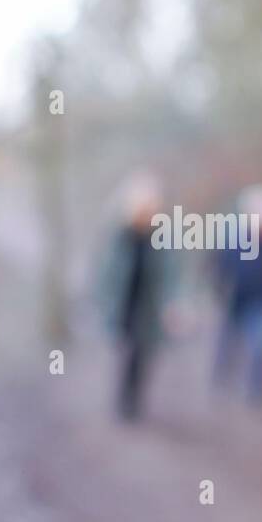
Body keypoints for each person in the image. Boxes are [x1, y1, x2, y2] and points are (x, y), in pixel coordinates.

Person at [99, 174, 175, 421]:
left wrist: (173, 302)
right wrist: (103, 302)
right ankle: (124, 400)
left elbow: (171, 271)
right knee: (129, 352)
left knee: (143, 355)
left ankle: (134, 400)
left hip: (149, 305)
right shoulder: (120, 235)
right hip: (125, 304)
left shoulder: (161, 236)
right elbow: (106, 271)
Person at [213, 185, 262, 403]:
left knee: (261, 346)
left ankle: (256, 390)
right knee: (228, 339)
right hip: (236, 298)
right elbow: (222, 264)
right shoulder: (236, 237)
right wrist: (221, 288)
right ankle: (222, 375)